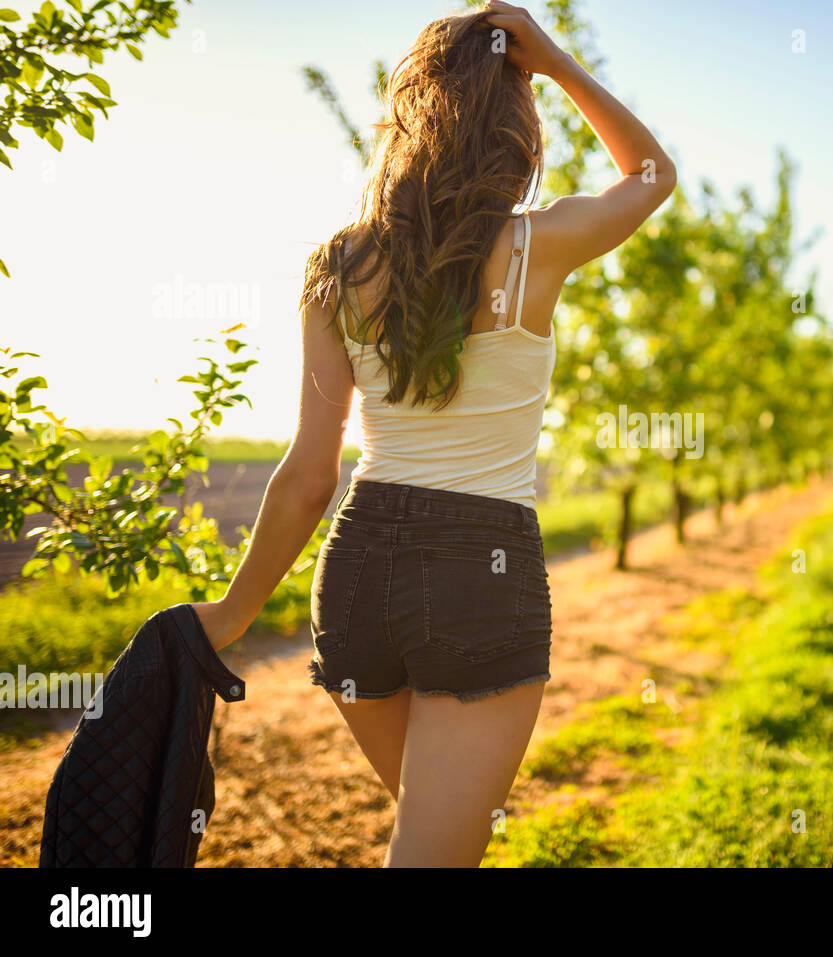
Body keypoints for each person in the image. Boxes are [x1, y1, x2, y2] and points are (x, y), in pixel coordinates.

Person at [191, 0, 676, 866]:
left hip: (357, 572)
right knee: (433, 852)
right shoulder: (538, 245)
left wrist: (233, 610)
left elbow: (310, 472)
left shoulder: (337, 267)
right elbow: (650, 176)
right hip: (478, 571)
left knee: (433, 835)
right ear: (517, 127)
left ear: (408, 111)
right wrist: (559, 63)